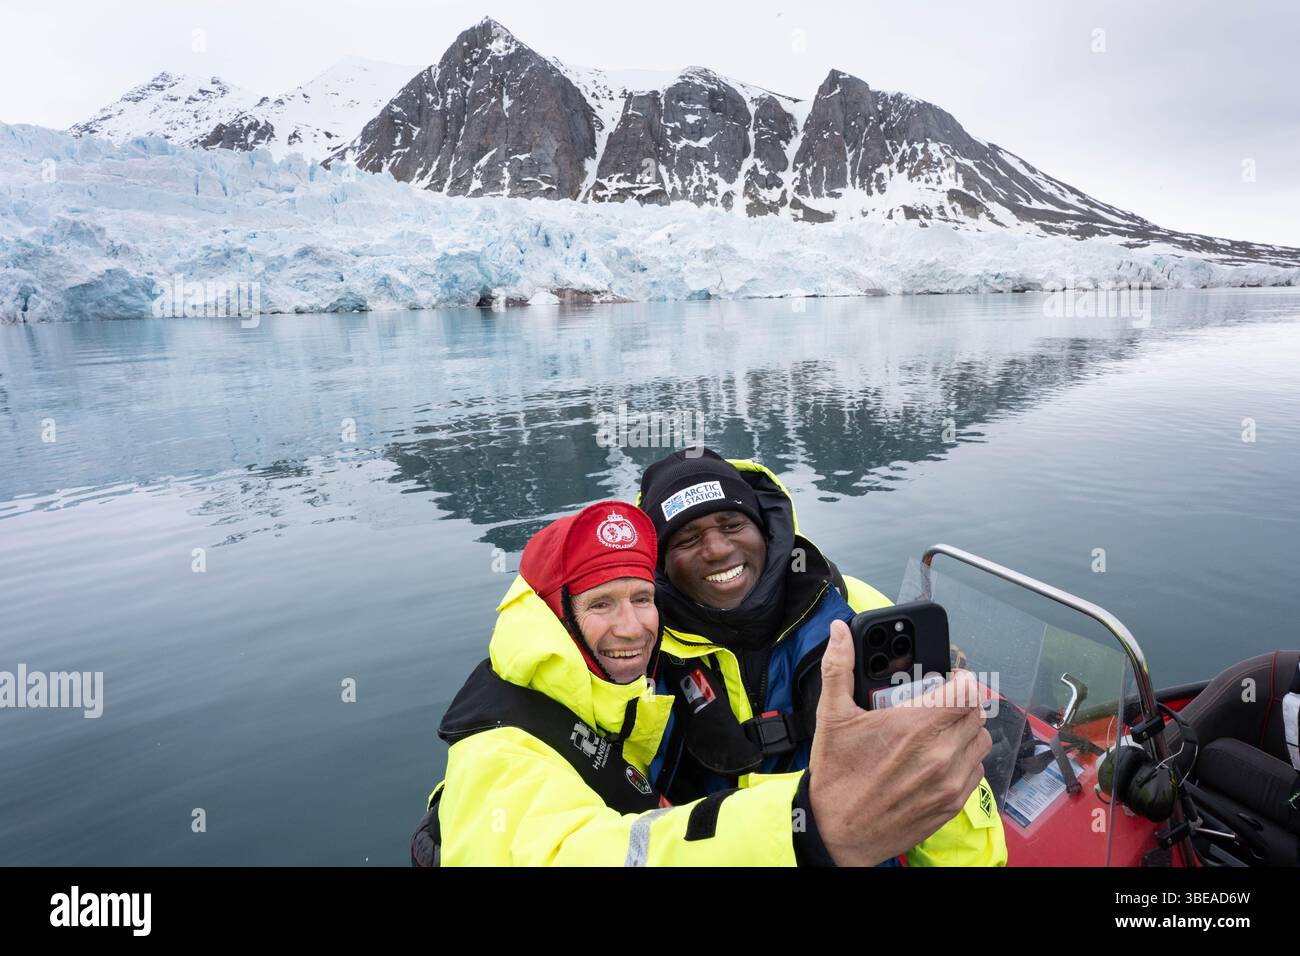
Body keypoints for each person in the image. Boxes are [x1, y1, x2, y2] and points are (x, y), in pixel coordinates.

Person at [416, 499, 994, 866]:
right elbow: (585, 855)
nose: (631, 625)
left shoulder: (605, 692)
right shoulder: (500, 746)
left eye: (642, 599)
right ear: (554, 614)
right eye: (600, 604)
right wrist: (806, 825)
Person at [638, 449, 1006, 866]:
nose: (718, 549)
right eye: (687, 538)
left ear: (764, 530)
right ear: (660, 565)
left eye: (732, 524)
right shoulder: (640, 647)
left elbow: (936, 766)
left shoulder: (859, 615)